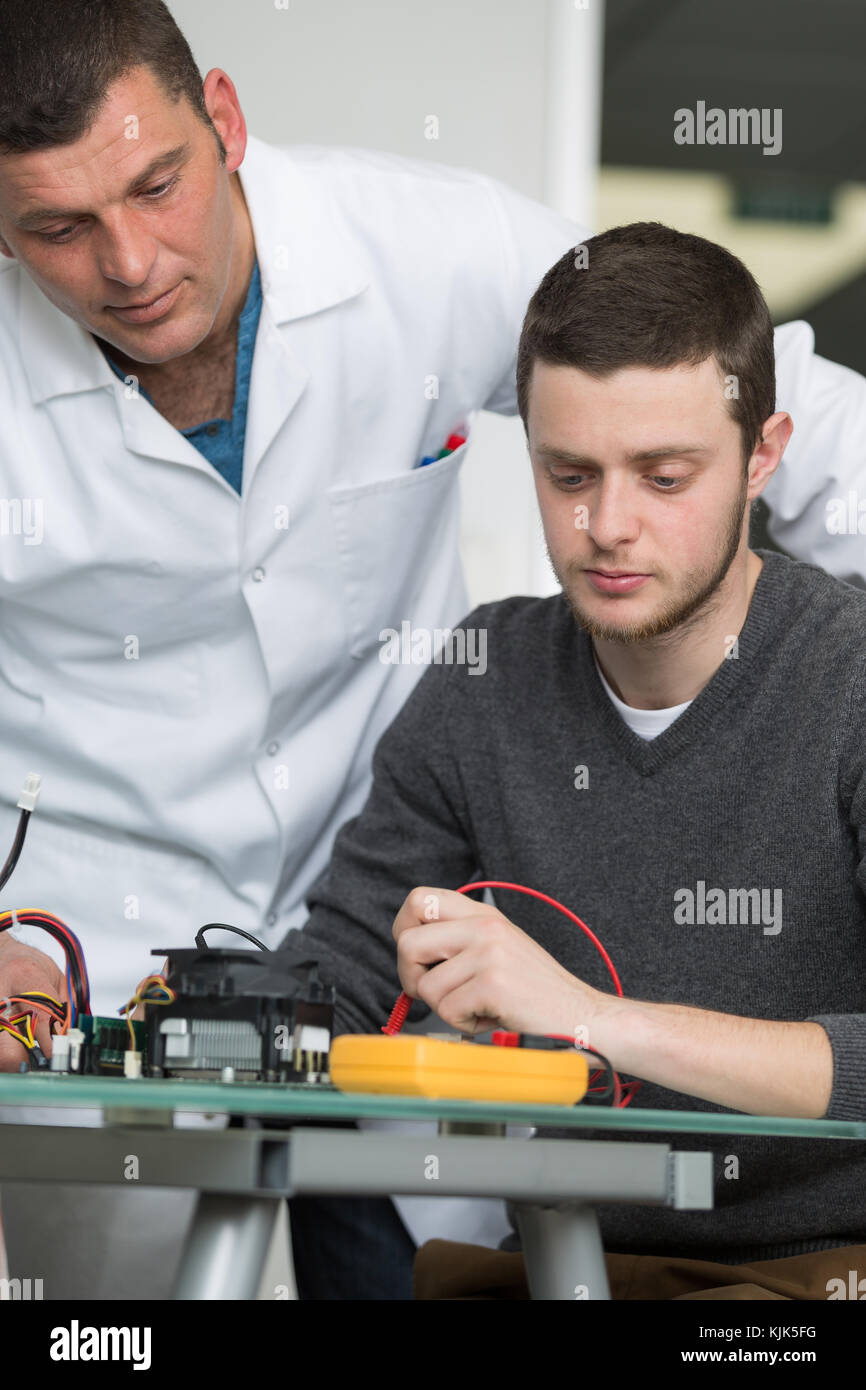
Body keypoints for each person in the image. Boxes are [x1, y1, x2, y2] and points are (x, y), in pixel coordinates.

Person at [0, 0, 863, 1300]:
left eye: (158, 186)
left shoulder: (424, 248)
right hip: (130, 958)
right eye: (57, 228)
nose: (127, 260)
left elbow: (719, 377)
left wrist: (582, 1011)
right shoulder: (493, 685)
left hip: (428, 987)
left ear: (223, 121)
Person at [279, 223, 866, 1300]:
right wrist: (178, 1014)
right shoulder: (481, 682)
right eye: (568, 474)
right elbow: (338, 976)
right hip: (557, 1263)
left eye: (663, 475)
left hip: (815, 1282)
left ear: (764, 454)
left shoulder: (848, 682)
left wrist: (584, 1015)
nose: (606, 526)